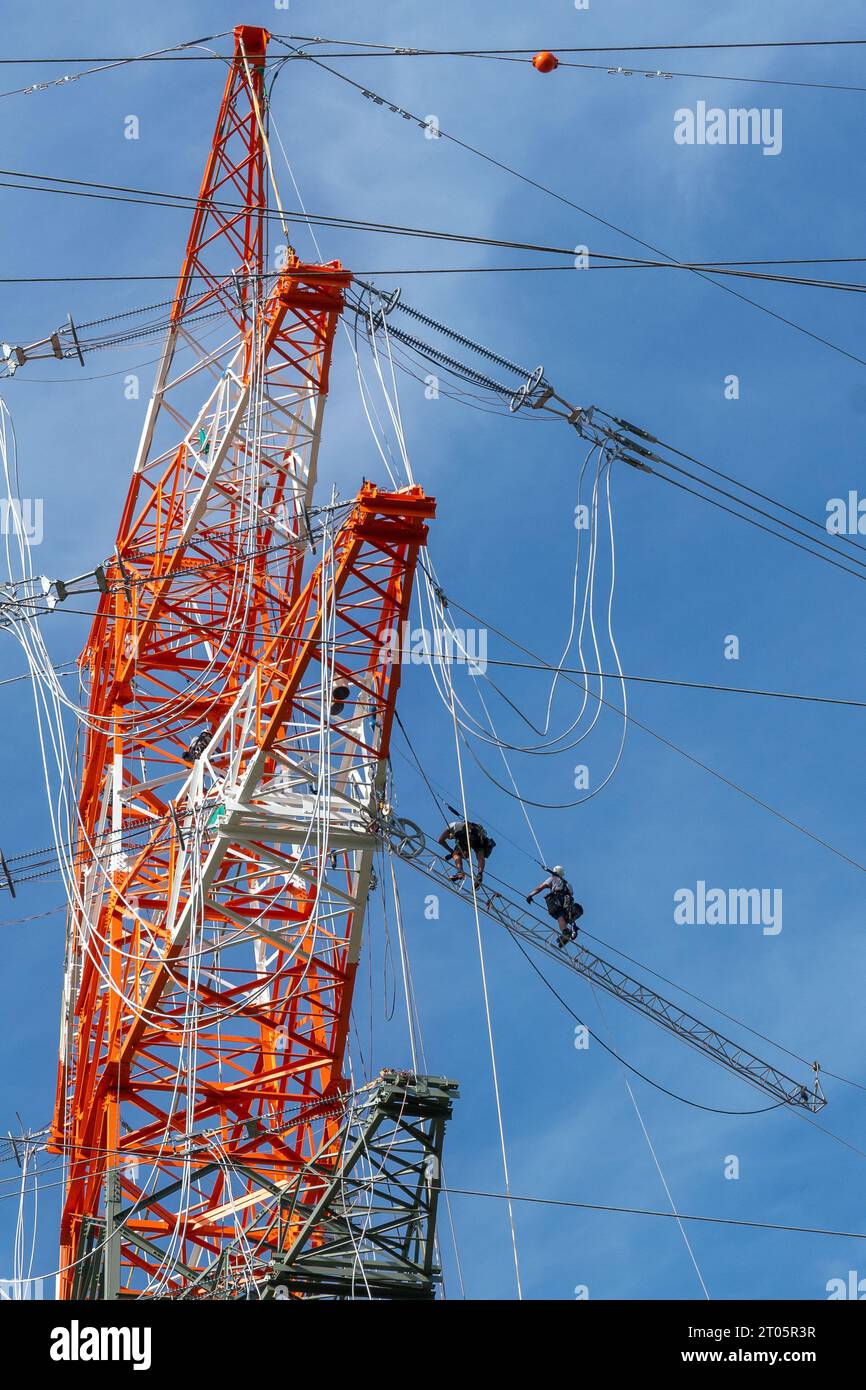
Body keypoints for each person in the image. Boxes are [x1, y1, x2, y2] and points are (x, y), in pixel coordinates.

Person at [527, 866, 583, 947]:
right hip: (568, 901)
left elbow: (540, 888)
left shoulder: (552, 878)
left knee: (559, 915)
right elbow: (571, 893)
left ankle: (565, 933)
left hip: (558, 900)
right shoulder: (568, 884)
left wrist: (530, 895)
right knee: (565, 917)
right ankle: (570, 929)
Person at [438, 817, 495, 888]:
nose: (451, 838)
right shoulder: (469, 827)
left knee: (456, 854)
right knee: (480, 856)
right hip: (479, 835)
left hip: (467, 833)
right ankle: (480, 874)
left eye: (451, 837)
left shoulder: (451, 826)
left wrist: (452, 852)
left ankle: (460, 872)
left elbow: (440, 840)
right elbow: (466, 855)